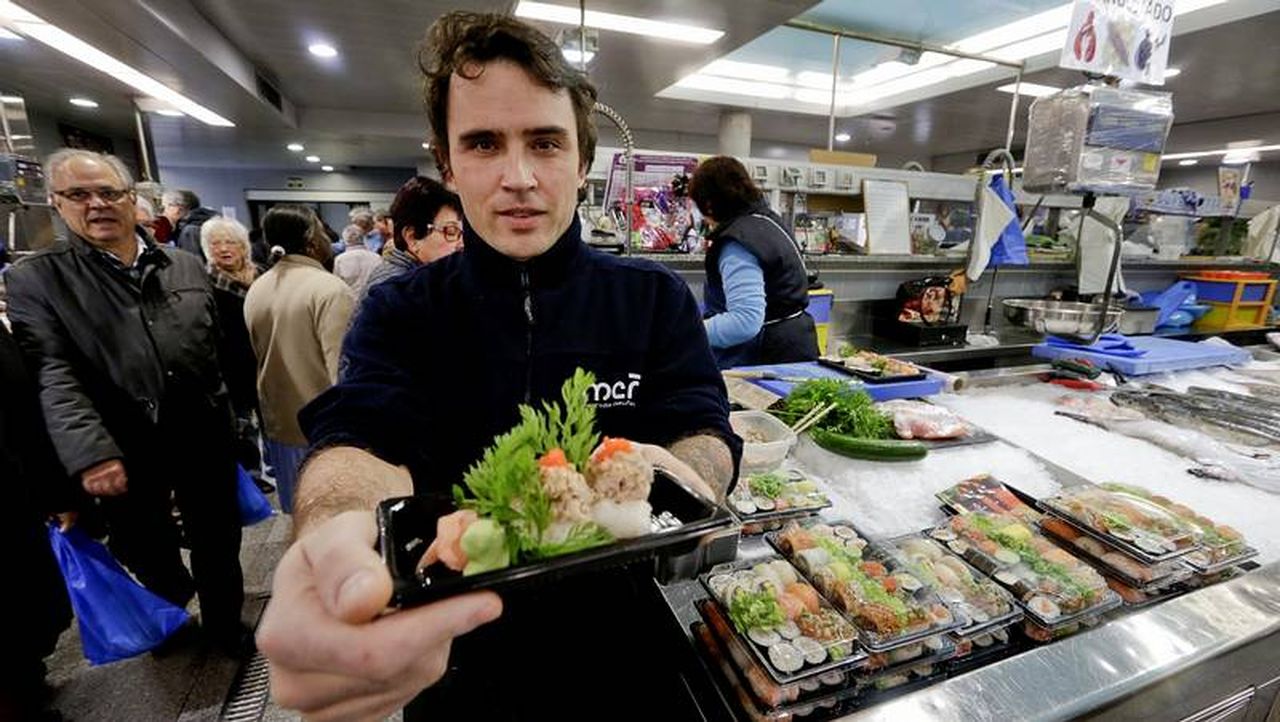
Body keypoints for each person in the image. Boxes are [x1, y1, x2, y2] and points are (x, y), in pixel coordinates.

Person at [255, 12, 740, 721]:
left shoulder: (654, 299)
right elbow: (362, 438)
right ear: (448, 166)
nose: (518, 177)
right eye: (484, 143)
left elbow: (702, 423)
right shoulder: (400, 311)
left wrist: (685, 471)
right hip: (456, 658)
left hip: (631, 646)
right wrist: (332, 531)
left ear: (581, 162)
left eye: (545, 143)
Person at [5, 149, 247, 652]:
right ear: (56, 203)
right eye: (78, 194)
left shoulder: (182, 264)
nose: (96, 204)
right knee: (145, 545)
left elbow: (216, 347)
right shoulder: (39, 280)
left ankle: (225, 624)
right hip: (120, 441)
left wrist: (235, 415)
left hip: (200, 430)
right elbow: (53, 373)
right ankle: (171, 616)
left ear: (131, 199)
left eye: (109, 192)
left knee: (219, 538)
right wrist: (91, 453)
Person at [243, 205, 354, 513]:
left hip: (280, 427)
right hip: (326, 432)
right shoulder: (329, 290)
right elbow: (342, 372)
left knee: (303, 519)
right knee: (336, 521)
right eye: (320, 228)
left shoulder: (258, 288)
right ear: (310, 239)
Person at [0, 323, 77, 722]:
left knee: (27, 605)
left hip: (18, 496)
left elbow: (26, 414)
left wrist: (54, 492)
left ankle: (25, 682)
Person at [689, 155, 819, 368]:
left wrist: (685, 332)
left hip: (762, 357)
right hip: (794, 347)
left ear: (709, 205)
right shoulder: (768, 221)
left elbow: (745, 321)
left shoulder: (737, 243)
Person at [200, 216, 268, 491]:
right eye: (216, 244)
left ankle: (278, 466)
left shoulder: (262, 275)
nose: (224, 249)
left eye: (230, 242)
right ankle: (251, 478)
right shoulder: (206, 283)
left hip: (264, 360)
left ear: (243, 246)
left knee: (269, 419)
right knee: (241, 425)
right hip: (230, 365)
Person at [359, 175, 463, 299]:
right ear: (412, 238)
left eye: (463, 233)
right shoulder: (397, 288)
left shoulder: (418, 278)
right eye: (451, 232)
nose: (461, 244)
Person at [162, 188, 218, 260]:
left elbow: (190, 265)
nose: (163, 213)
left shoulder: (190, 231)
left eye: (164, 208)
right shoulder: (202, 225)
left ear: (178, 209)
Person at [332, 222, 382, 291]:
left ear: (345, 240)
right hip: (374, 298)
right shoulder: (377, 257)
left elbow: (337, 286)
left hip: (351, 299)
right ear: (363, 237)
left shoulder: (340, 260)